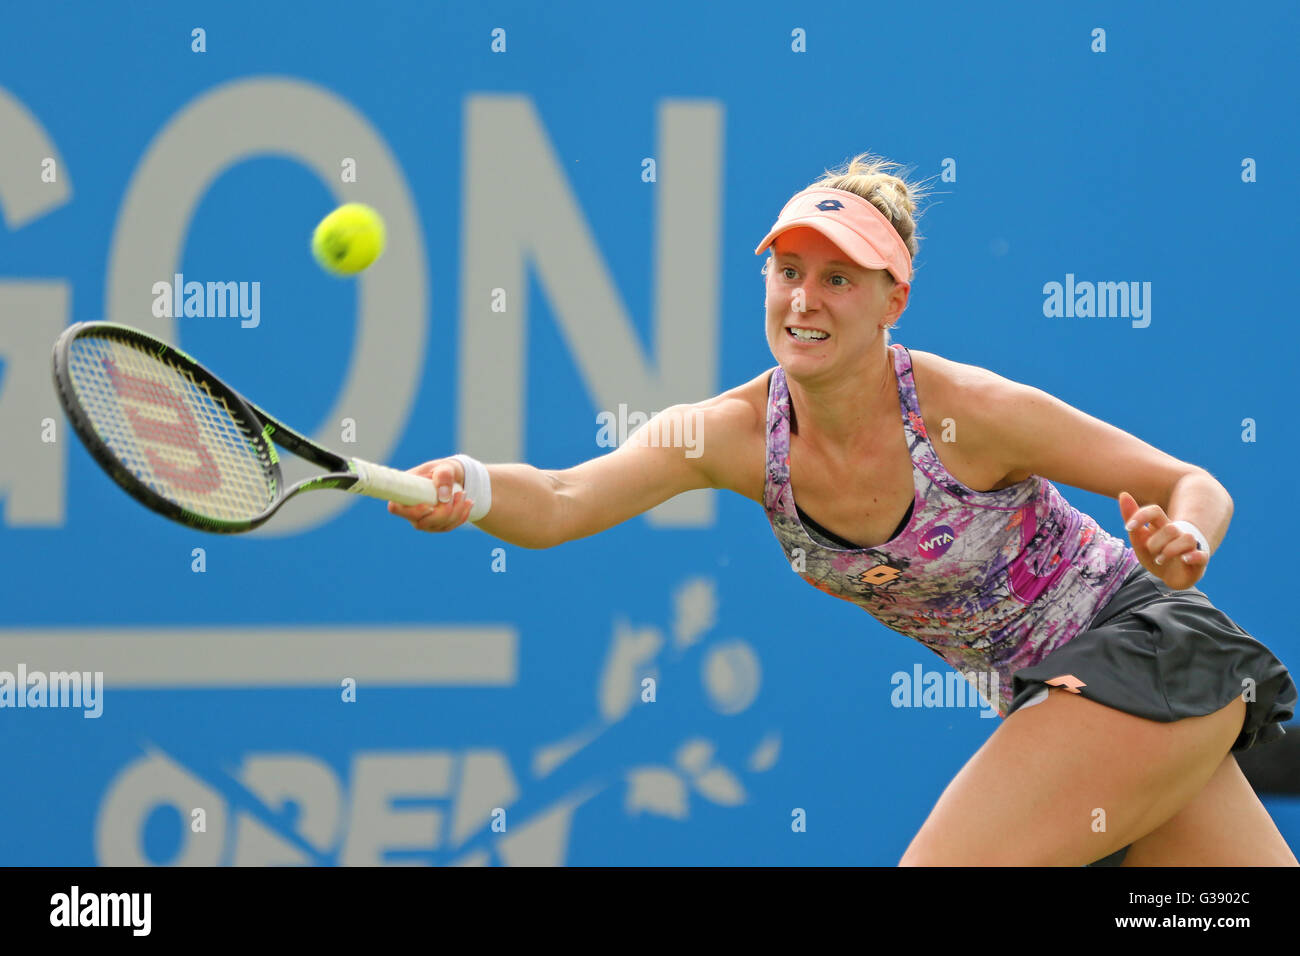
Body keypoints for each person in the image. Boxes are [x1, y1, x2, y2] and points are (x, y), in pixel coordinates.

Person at [389, 153, 1298, 866]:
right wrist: (470, 485)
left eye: (838, 280)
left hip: (1149, 657)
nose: (804, 300)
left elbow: (1195, 483)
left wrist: (1186, 539)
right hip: (1101, 718)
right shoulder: (735, 435)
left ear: (891, 300)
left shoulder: (968, 412)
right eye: (788, 272)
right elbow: (557, 500)